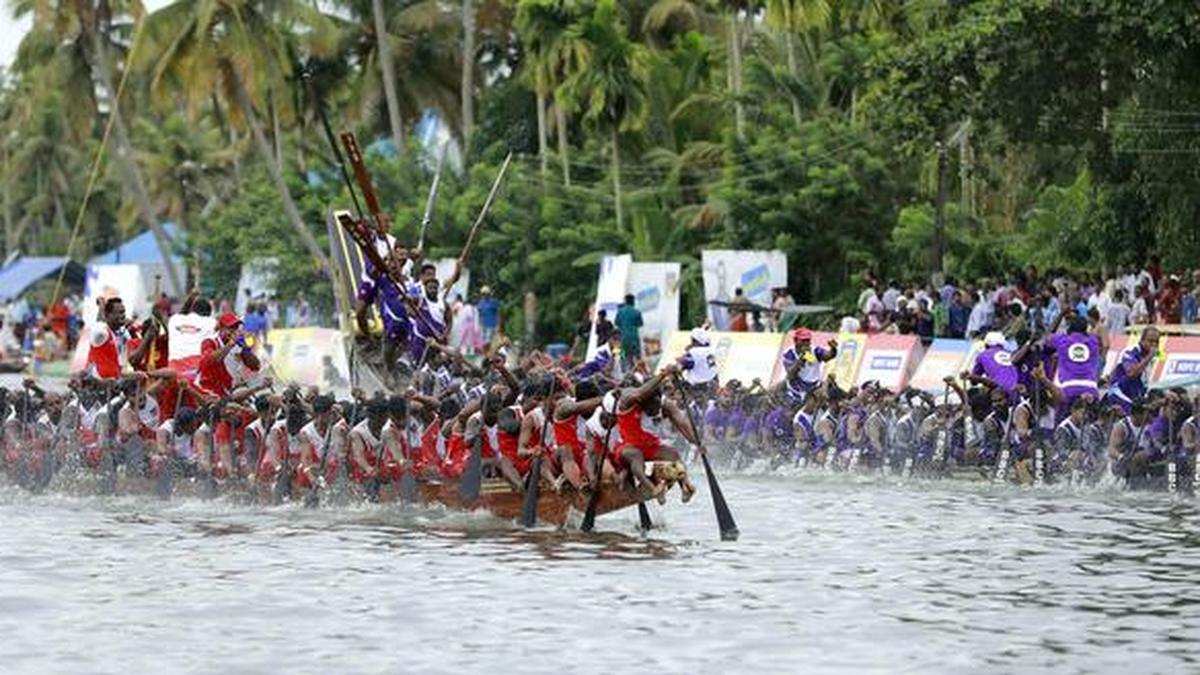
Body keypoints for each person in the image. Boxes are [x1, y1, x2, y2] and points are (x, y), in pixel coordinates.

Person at [779, 328, 838, 403]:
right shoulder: (789, 354)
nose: (806, 343)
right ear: (795, 340)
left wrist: (833, 349)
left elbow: (827, 356)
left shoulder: (815, 350)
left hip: (814, 387)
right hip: (796, 389)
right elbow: (791, 375)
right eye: (803, 340)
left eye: (808, 340)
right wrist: (802, 359)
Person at [614, 294, 643, 368]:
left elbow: (616, 323)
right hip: (634, 338)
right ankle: (639, 371)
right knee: (637, 356)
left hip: (623, 338)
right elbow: (640, 324)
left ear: (625, 301)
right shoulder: (637, 312)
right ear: (633, 301)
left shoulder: (620, 312)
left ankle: (623, 371)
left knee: (622, 356)